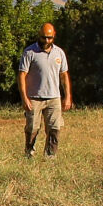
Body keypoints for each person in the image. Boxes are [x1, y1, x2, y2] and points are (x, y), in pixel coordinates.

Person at [17, 22, 71, 158]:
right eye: (44, 37)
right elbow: (22, 75)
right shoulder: (29, 52)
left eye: (49, 38)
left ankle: (50, 156)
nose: (46, 41)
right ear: (39, 35)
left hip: (54, 98)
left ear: (54, 36)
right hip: (34, 98)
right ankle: (29, 154)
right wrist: (24, 98)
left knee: (54, 128)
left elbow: (64, 75)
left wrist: (68, 96)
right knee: (32, 128)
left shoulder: (59, 53)